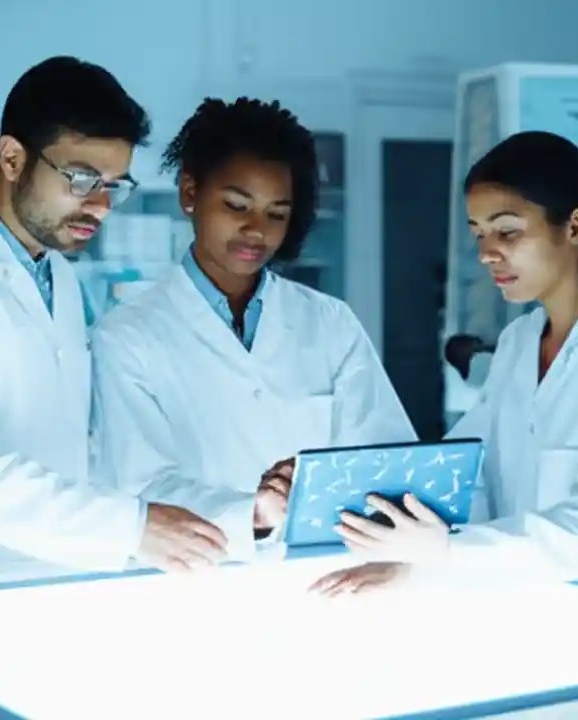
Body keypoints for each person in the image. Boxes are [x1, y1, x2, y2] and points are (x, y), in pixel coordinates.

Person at [0, 56, 227, 585]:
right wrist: (130, 528)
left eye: (115, 186)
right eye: (81, 179)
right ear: (11, 158)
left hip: (47, 579)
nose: (100, 206)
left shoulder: (56, 274)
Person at [310, 131, 578, 600]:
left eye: (507, 231)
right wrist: (323, 497)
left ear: (576, 226)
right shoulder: (520, 342)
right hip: (523, 609)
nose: (487, 252)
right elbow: (467, 472)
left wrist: (446, 551)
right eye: (479, 234)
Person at [91, 97, 416, 562]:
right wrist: (252, 513)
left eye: (277, 213)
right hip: (195, 583)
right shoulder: (126, 338)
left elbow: (387, 456)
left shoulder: (330, 323)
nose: (256, 229)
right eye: (236, 205)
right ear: (189, 193)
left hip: (324, 579)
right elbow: (137, 483)